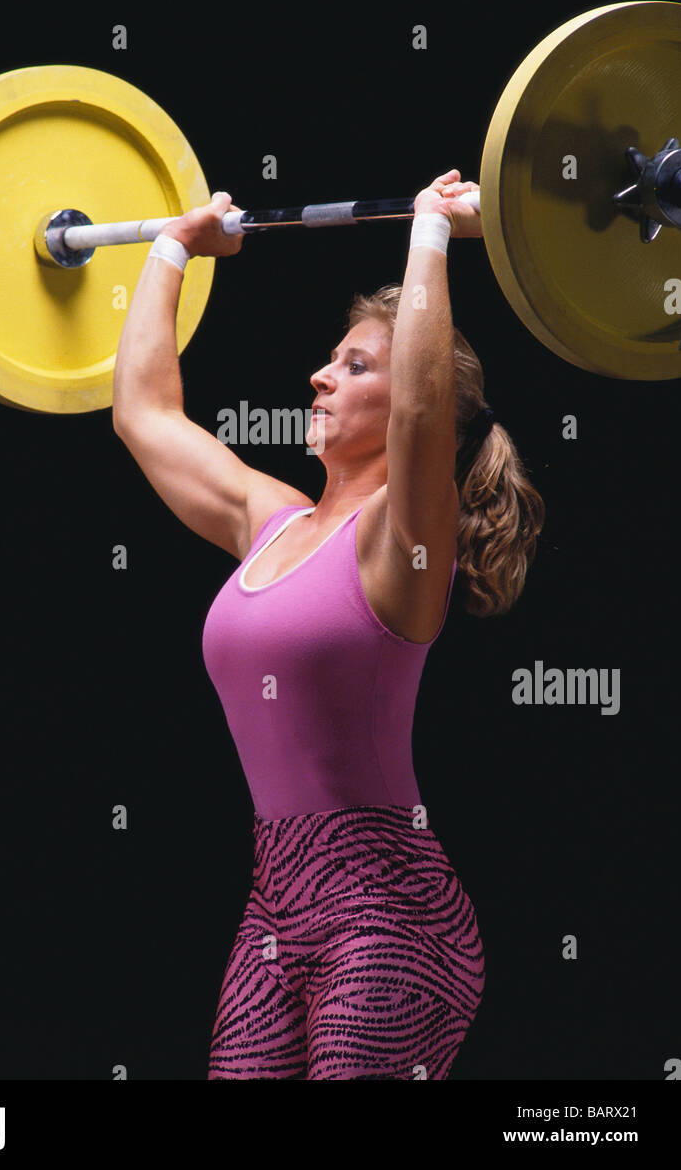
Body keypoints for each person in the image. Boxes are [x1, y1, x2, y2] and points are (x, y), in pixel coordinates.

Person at [113, 170, 545, 1080]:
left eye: (356, 365)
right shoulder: (266, 521)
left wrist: (428, 234)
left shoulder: (405, 541)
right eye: (330, 356)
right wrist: (174, 248)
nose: (319, 374)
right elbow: (144, 414)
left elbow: (426, 415)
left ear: (405, 407)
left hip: (393, 916)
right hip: (276, 908)